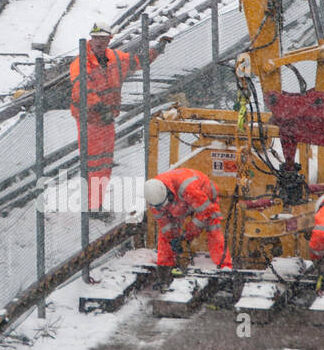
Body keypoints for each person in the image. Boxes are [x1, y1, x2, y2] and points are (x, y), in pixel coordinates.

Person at [69, 23, 165, 211]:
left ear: (108, 40)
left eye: (102, 38)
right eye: (95, 38)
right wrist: (98, 107)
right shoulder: (81, 62)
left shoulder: (115, 58)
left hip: (106, 119)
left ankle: (96, 203)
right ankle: (92, 206)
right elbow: (81, 89)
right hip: (90, 119)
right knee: (94, 164)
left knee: (104, 163)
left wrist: (157, 49)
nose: (98, 42)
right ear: (91, 39)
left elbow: (139, 61)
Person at [144, 168, 232, 271]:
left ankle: (224, 265)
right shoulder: (154, 199)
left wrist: (188, 234)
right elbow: (164, 224)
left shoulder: (188, 188)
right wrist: (173, 239)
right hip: (181, 200)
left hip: (205, 197)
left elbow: (206, 211)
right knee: (165, 232)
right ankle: (165, 266)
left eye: (165, 204)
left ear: (167, 193)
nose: (163, 208)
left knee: (213, 225)